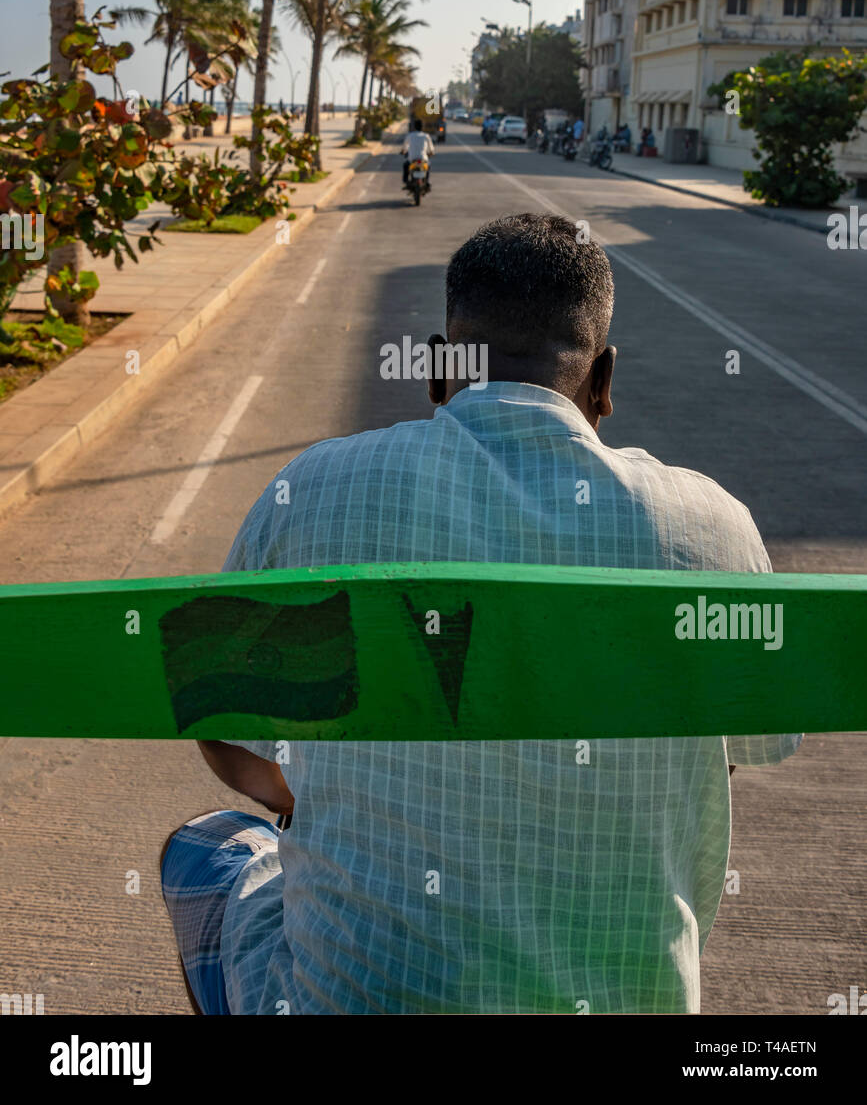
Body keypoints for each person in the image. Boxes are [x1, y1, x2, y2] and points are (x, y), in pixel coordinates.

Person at [161, 213, 801, 1016]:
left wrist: (314, 801)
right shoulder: (713, 527)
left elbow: (217, 718)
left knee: (207, 847)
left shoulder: (316, 487)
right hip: (631, 1000)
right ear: (602, 382)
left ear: (437, 369)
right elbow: (732, 753)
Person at [401, 117, 434, 189]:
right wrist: (431, 153)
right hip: (423, 158)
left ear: (415, 127)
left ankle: (406, 180)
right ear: (422, 127)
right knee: (428, 167)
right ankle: (427, 181)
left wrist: (403, 151)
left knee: (405, 165)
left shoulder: (410, 135)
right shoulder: (426, 136)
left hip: (412, 158)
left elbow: (404, 147)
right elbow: (431, 149)